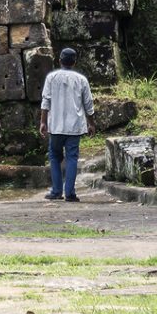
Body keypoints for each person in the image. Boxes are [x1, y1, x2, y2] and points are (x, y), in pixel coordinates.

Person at [40, 46, 95, 203]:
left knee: (54, 156)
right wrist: (91, 124)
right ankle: (70, 193)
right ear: (74, 62)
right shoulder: (81, 80)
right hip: (74, 127)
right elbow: (88, 104)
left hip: (56, 126)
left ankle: (57, 191)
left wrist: (43, 122)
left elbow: (46, 102)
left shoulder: (51, 77)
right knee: (72, 157)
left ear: (59, 61)